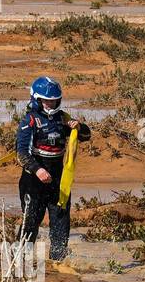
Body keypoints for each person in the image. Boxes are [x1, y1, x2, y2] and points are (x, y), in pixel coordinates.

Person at [15, 76, 90, 262]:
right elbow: (21, 153)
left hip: (58, 179)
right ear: (37, 99)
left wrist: (78, 127)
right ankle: (20, 261)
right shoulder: (29, 120)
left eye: (54, 100)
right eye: (47, 100)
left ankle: (58, 262)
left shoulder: (62, 118)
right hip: (33, 180)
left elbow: (86, 135)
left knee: (61, 221)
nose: (51, 104)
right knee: (31, 220)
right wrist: (38, 170)